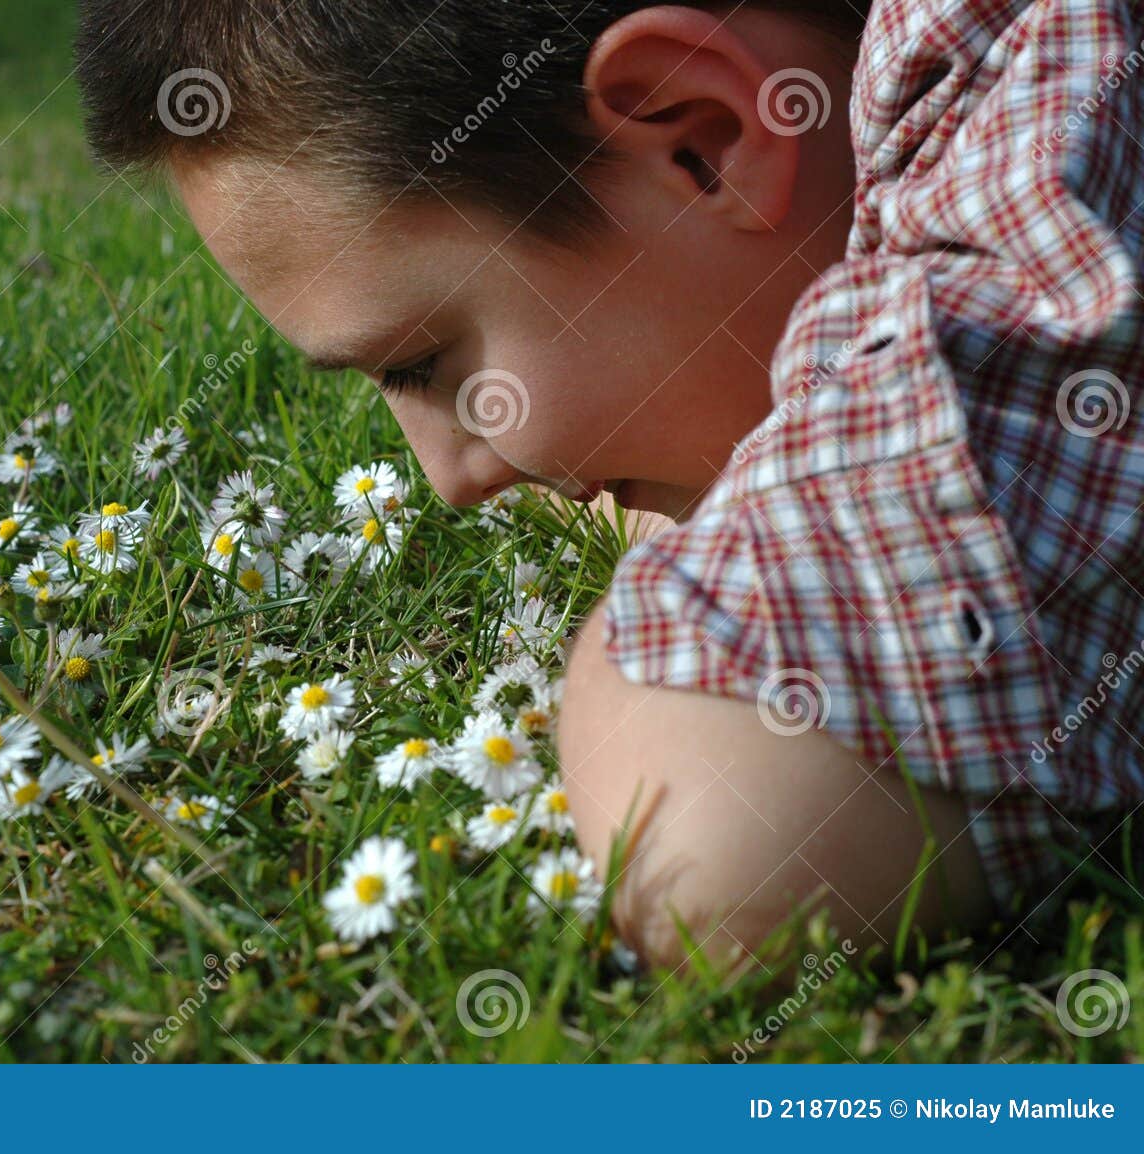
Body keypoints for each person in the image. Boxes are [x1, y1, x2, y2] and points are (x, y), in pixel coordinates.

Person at [74, 0, 1144, 969]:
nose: (451, 480)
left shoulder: (1041, 85)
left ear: (701, 144)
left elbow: (730, 847)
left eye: (428, 363)